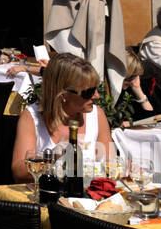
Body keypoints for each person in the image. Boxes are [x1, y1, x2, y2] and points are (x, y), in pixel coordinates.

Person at [12, 52, 114, 181]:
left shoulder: (97, 115)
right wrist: (52, 157)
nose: (97, 96)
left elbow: (111, 163)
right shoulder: (33, 117)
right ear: (63, 94)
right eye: (88, 92)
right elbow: (18, 172)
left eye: (96, 88)